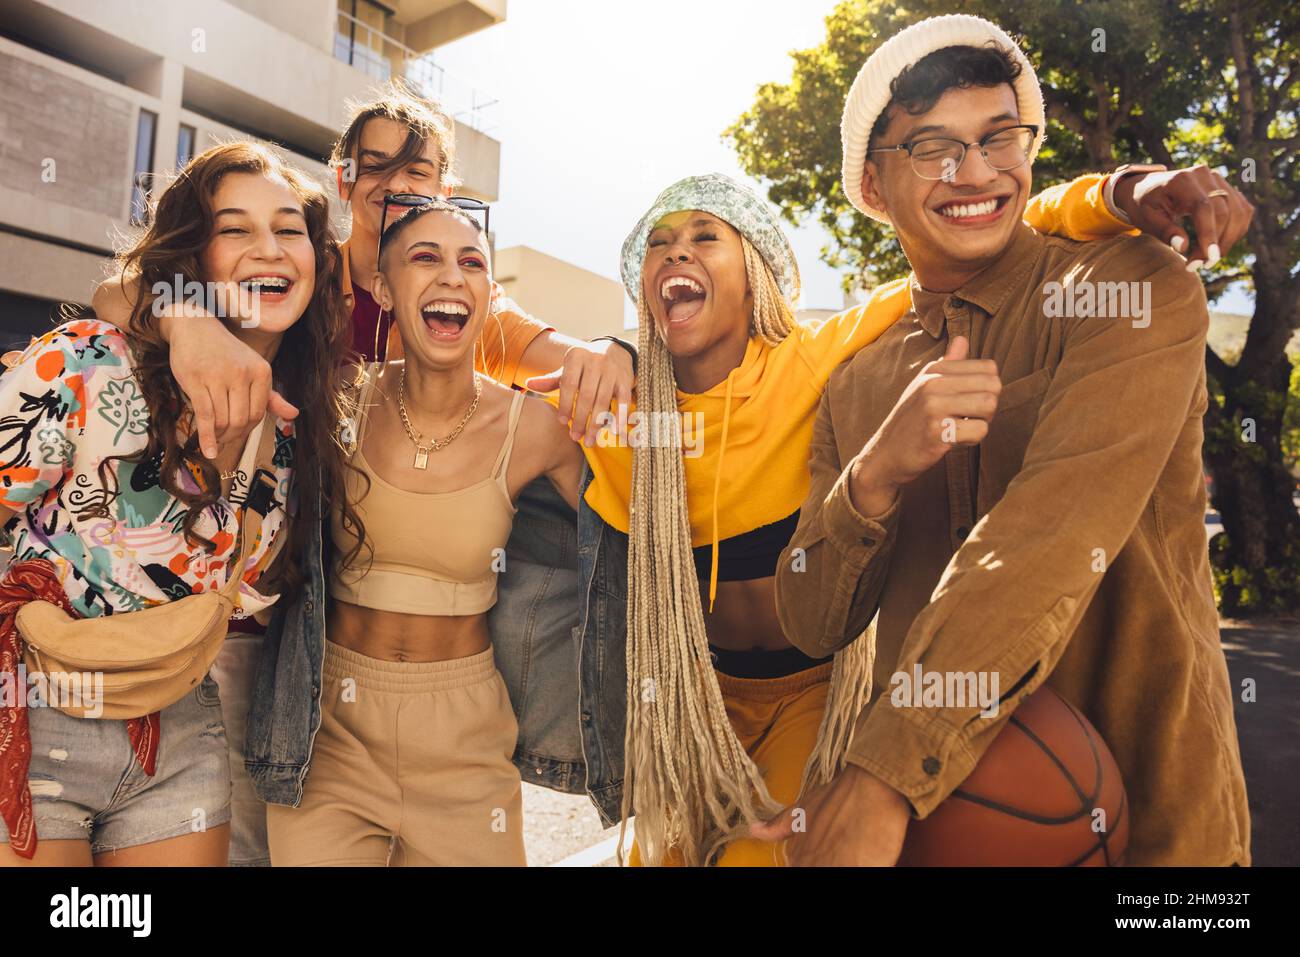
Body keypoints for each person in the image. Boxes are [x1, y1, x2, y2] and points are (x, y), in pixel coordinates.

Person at [582, 148, 1250, 866]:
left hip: (806, 691)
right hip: (694, 699)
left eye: (704, 236)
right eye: (659, 243)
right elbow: (474, 377)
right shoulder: (614, 413)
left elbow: (982, 233)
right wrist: (589, 347)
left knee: (760, 856)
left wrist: (1116, 193)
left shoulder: (817, 360)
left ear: (756, 273)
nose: (676, 249)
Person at [767, 14, 1251, 866]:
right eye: (933, 148)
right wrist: (874, 476)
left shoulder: (1134, 287)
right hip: (941, 830)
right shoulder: (856, 383)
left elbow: (1051, 533)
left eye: (1001, 137)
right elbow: (809, 619)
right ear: (874, 187)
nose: (978, 173)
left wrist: (880, 773)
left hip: (1163, 821)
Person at [0, 141, 358, 866]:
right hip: (37, 706)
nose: (271, 249)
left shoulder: (297, 423)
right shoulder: (88, 359)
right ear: (193, 256)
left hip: (182, 727)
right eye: (236, 229)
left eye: (290, 230)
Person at [263, 199, 583, 866]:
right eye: (424, 257)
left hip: (466, 738)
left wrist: (622, 354)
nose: (450, 275)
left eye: (471, 262)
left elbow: (645, 543)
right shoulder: (334, 398)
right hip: (332, 728)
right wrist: (189, 329)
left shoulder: (539, 429)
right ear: (383, 289)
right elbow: (127, 298)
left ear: (490, 296)